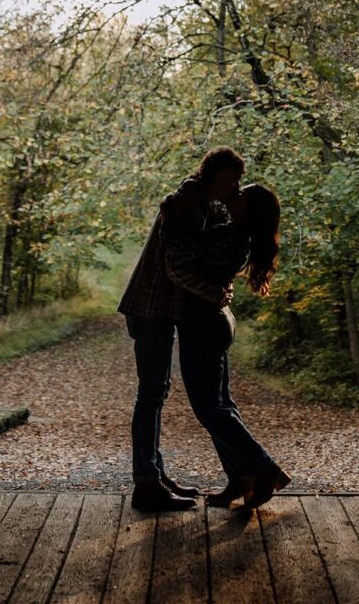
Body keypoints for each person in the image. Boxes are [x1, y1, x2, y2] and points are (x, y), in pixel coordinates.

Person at [116, 147, 243, 512]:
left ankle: (153, 474)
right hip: (150, 307)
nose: (235, 188)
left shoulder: (202, 204)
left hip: (160, 311)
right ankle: (146, 483)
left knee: (156, 392)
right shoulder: (187, 204)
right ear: (216, 175)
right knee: (151, 393)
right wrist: (216, 293)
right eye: (231, 179)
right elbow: (177, 268)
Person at [166, 182, 291, 509]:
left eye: (240, 196)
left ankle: (265, 468)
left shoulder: (228, 237)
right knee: (221, 405)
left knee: (210, 408)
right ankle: (241, 478)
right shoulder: (232, 233)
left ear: (248, 211)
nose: (232, 197)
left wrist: (171, 214)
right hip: (213, 320)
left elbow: (183, 250)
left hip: (204, 323)